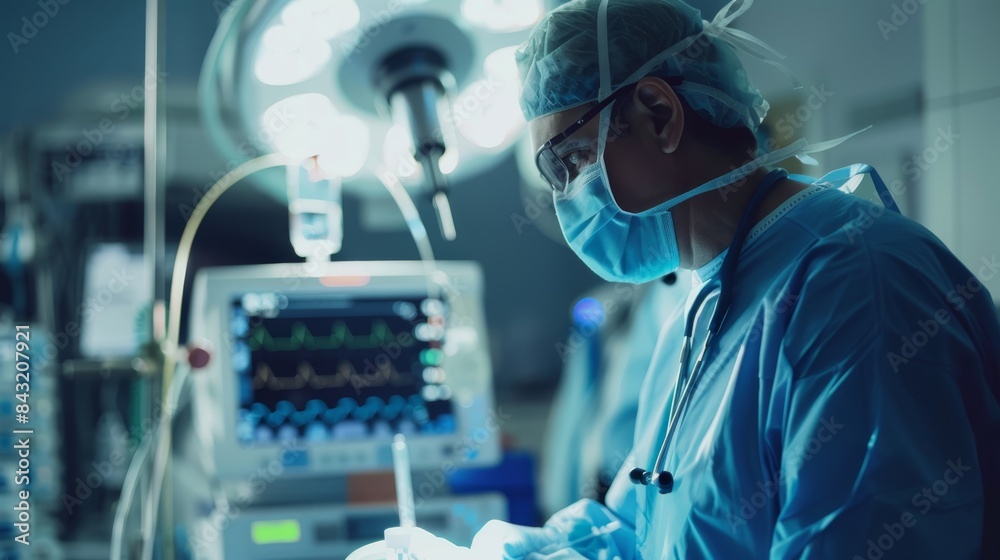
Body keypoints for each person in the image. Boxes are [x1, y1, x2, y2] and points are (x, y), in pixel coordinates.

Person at [467, 0, 1000, 558]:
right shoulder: (695, 311)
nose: (564, 198)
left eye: (569, 160)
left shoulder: (856, 286)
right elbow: (643, 530)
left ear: (659, 114)